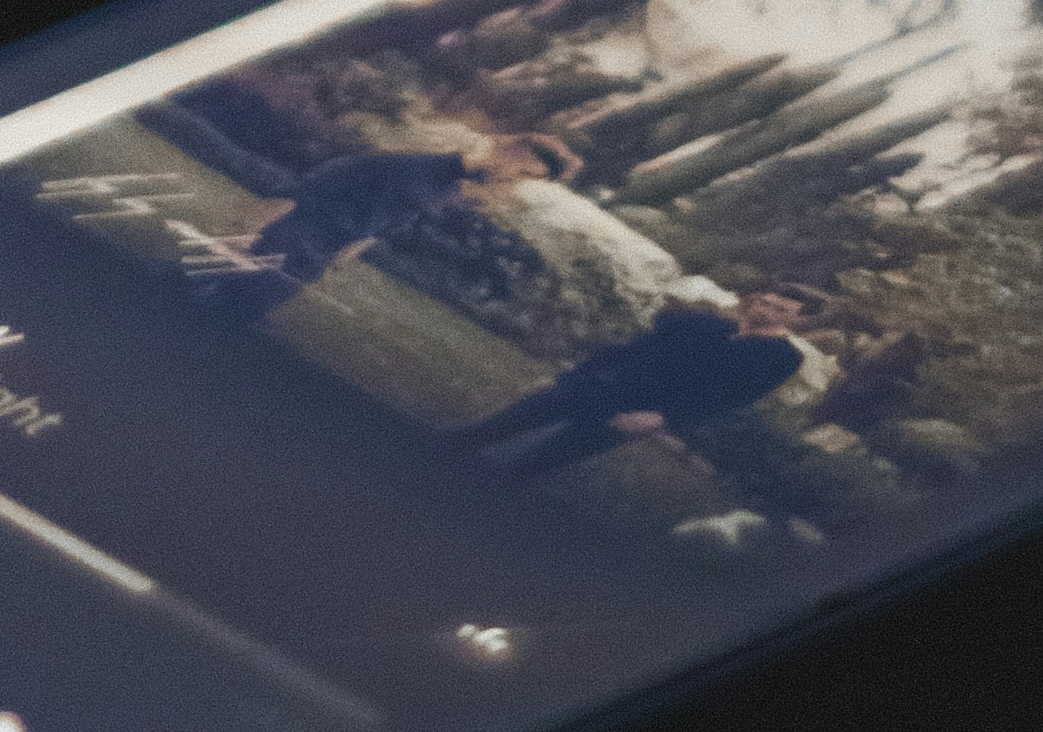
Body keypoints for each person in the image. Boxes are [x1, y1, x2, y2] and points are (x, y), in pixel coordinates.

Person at [177, 116, 578, 313]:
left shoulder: (448, 187)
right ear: (512, 154)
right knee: (191, 289)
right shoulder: (422, 166)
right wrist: (271, 212)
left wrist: (358, 244)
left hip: (318, 252)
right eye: (524, 171)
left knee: (236, 312)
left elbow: (395, 217)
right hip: (295, 232)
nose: (518, 180)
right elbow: (340, 174)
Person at [469, 280, 835, 476]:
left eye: (780, 310)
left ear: (799, 321)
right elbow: (634, 347)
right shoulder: (705, 323)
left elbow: (729, 398)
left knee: (546, 458)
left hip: (642, 410)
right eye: (766, 301)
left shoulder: (781, 358)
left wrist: (663, 419)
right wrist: (570, 376)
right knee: (503, 423)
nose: (766, 309)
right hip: (601, 384)